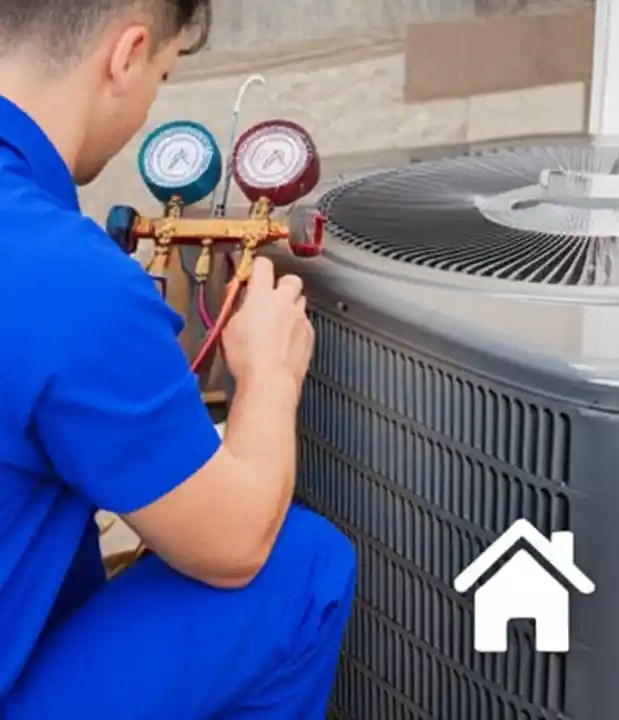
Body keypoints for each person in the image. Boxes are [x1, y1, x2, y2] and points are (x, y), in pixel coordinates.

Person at [0, 1, 356, 718]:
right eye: (162, 73)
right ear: (128, 54)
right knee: (301, 565)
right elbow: (233, 543)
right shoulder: (68, 277)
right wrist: (267, 376)